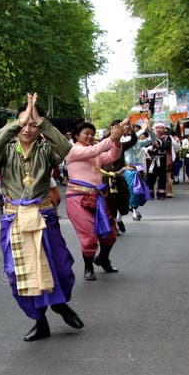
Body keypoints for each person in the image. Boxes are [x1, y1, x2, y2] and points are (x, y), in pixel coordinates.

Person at [0, 94, 83, 342]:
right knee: (18, 273)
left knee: (60, 266)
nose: (27, 128)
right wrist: (18, 121)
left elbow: (65, 147)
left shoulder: (46, 151)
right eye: (23, 124)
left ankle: (60, 304)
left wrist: (41, 121)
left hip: (44, 215)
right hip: (14, 219)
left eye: (32, 124)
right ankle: (40, 321)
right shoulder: (4, 152)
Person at [65, 119, 127, 280]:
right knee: (89, 237)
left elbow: (113, 155)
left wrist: (117, 139)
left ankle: (103, 259)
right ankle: (88, 266)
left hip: (96, 198)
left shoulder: (93, 153)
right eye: (86, 133)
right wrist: (112, 137)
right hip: (77, 199)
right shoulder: (73, 150)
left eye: (92, 134)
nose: (90, 136)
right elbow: (95, 151)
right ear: (76, 135)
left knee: (110, 234)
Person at [146, 123, 173, 199]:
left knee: (162, 177)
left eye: (161, 128)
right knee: (151, 177)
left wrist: (159, 145)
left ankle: (161, 194)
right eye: (157, 128)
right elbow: (146, 146)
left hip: (162, 159)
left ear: (164, 129)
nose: (159, 129)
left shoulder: (166, 138)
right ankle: (150, 194)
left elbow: (167, 146)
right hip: (152, 159)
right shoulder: (151, 137)